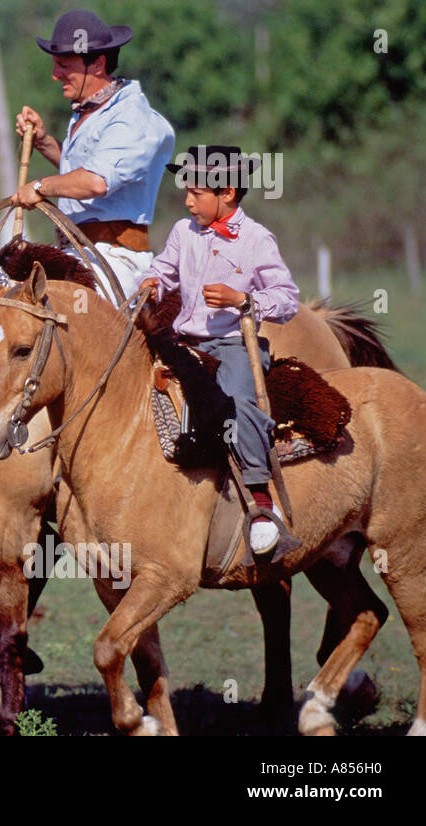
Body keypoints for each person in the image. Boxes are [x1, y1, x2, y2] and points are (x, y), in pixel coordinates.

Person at [140, 145, 299, 556]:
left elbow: (287, 298)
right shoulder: (182, 232)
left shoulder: (256, 240)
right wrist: (153, 282)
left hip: (231, 345)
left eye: (196, 192)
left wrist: (243, 299)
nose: (187, 200)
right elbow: (165, 268)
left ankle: (262, 505)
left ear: (227, 192)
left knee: (237, 403)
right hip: (186, 344)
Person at [12, 9, 174, 300]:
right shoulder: (89, 111)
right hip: (76, 253)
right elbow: (81, 170)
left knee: (64, 312)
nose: (54, 74)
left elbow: (96, 181)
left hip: (116, 260)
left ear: (97, 64)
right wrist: (45, 142)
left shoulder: (130, 116)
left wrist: (38, 187)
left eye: (63, 65)